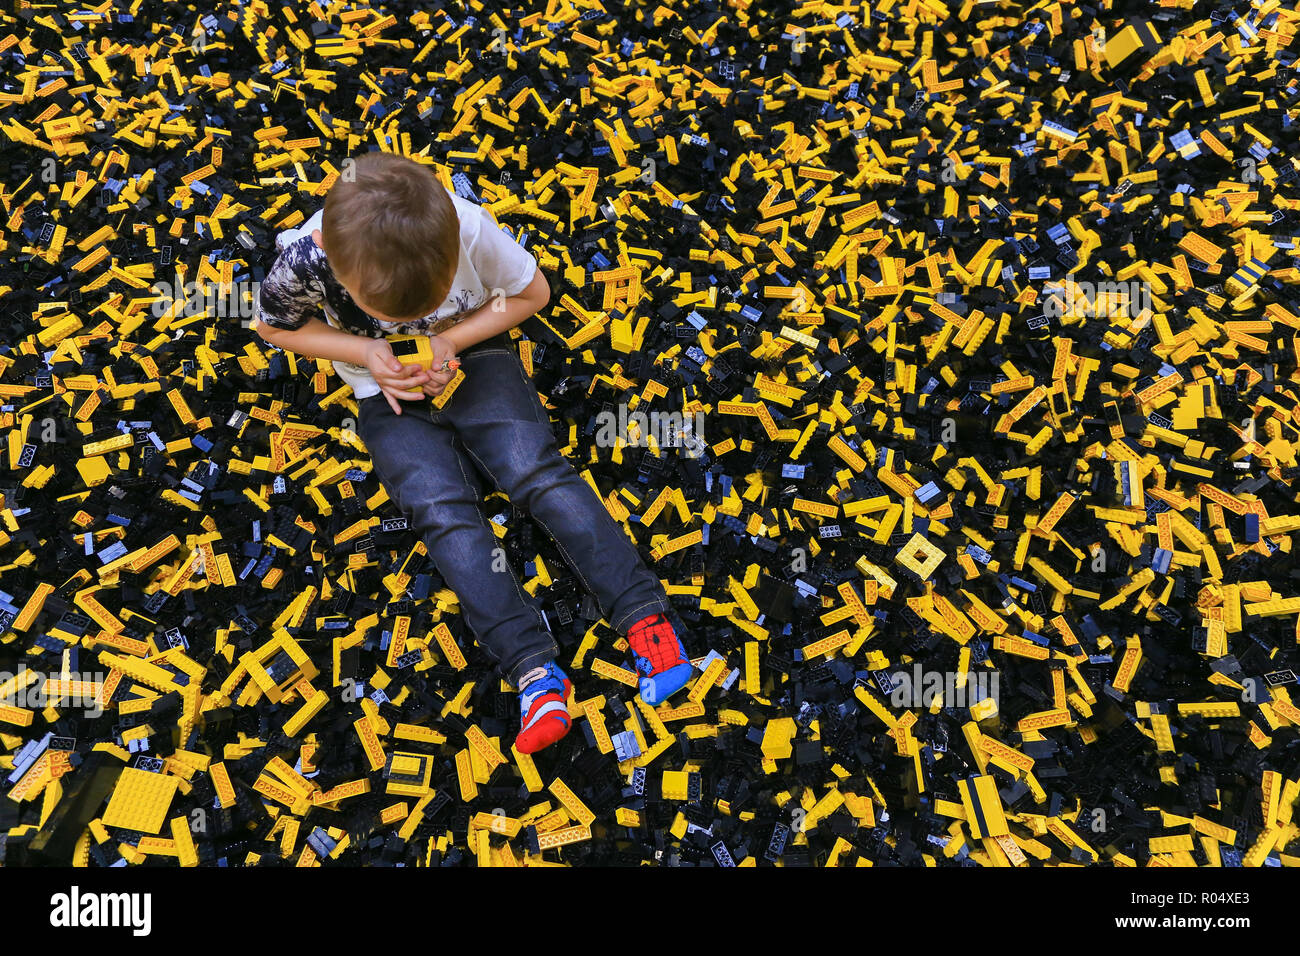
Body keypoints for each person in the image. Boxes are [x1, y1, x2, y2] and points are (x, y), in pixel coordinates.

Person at [253, 151, 694, 753]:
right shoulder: (306, 257)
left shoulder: (466, 227)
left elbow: (532, 293)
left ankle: (643, 614)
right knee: (441, 512)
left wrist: (444, 341)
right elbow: (274, 326)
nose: (406, 321)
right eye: (392, 314)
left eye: (423, 303)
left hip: (472, 359)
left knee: (537, 473)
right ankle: (532, 668)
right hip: (382, 390)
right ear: (341, 270)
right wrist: (368, 355)